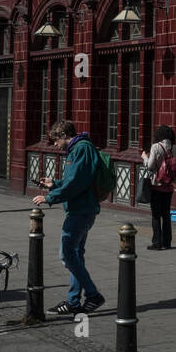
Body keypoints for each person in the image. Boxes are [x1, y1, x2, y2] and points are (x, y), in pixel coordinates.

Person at [32, 120, 106, 316]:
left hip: (80, 210)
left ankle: (93, 294)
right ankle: (73, 301)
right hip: (82, 208)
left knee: (67, 254)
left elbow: (75, 184)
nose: (55, 144)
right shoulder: (79, 149)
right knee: (76, 255)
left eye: (55, 140)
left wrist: (49, 198)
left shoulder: (81, 149)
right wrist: (53, 184)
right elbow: (75, 180)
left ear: (64, 135)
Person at [141, 125, 176, 250]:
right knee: (166, 214)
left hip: (157, 185)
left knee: (156, 215)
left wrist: (144, 158)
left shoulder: (156, 147)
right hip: (169, 186)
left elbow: (150, 166)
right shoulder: (174, 148)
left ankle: (156, 242)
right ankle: (167, 242)